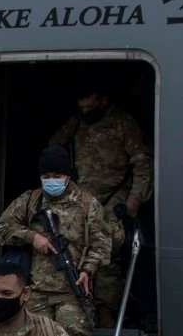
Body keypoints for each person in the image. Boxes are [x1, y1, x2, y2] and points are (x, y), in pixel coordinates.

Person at [0, 147, 111, 336]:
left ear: (67, 175)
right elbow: (2, 228)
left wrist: (87, 270)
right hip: (36, 292)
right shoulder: (31, 200)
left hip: (71, 293)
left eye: (57, 176)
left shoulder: (87, 204)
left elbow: (101, 243)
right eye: (47, 176)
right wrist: (32, 237)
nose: (52, 181)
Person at [50, 85, 152, 323]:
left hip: (113, 200)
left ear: (103, 100)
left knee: (105, 258)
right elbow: (54, 146)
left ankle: (106, 317)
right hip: (82, 200)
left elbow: (142, 164)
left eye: (90, 106)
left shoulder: (123, 124)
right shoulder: (77, 122)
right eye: (81, 107)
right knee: (73, 253)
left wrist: (132, 204)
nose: (85, 111)